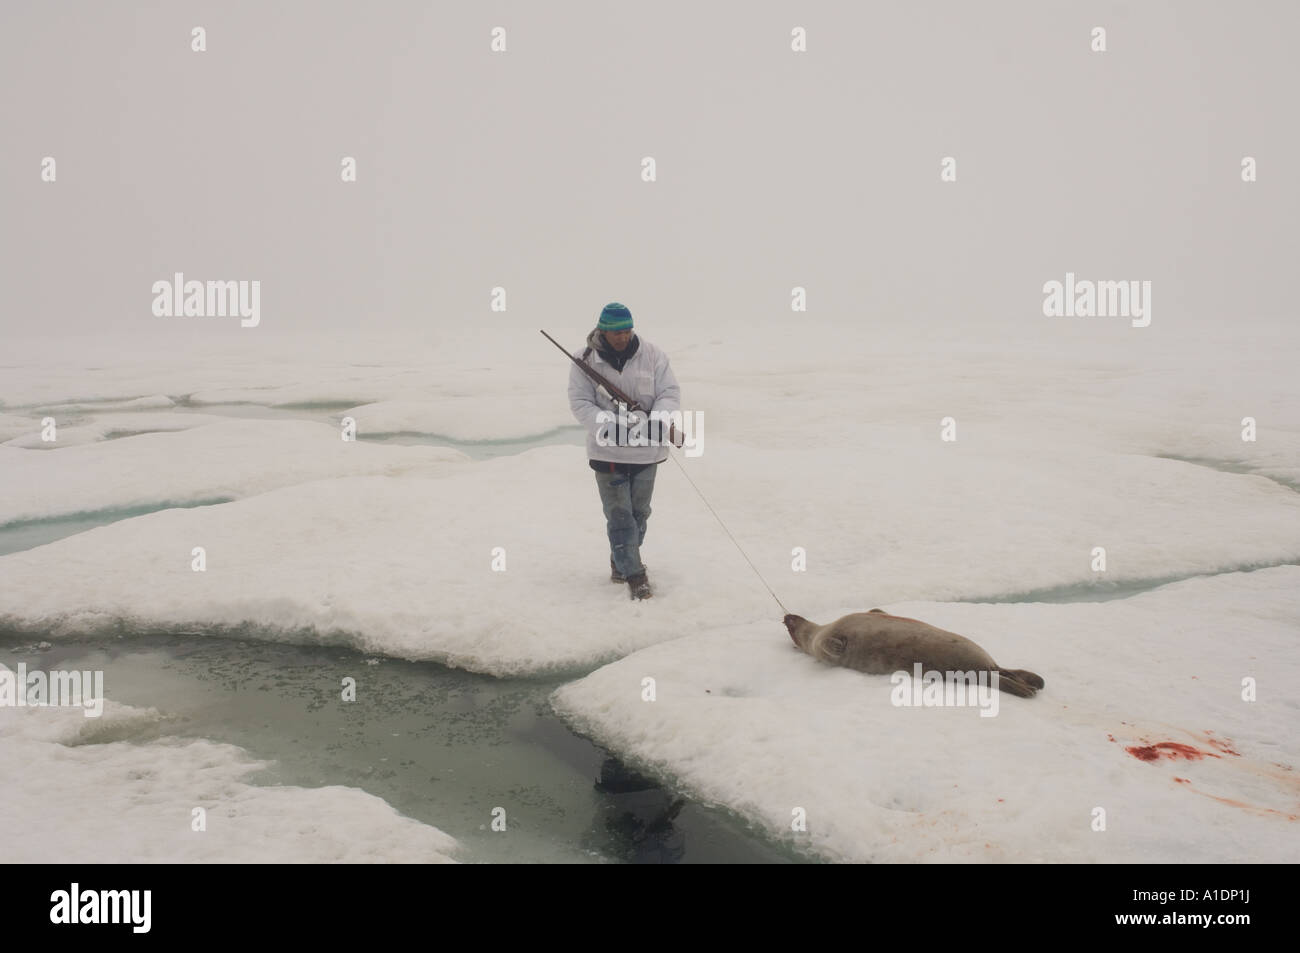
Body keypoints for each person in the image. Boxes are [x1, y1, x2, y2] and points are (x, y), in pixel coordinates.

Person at [568, 302, 680, 600]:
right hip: (608, 453)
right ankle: (634, 573)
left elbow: (669, 393)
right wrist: (611, 428)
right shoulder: (583, 360)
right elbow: (580, 403)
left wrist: (656, 420)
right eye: (617, 332)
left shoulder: (654, 355)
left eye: (628, 330)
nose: (623, 337)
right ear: (603, 331)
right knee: (619, 516)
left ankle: (621, 559)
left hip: (648, 453)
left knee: (640, 513)